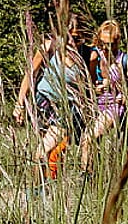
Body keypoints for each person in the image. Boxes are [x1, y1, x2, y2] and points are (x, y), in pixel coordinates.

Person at [13, 20, 89, 180]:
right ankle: (40, 188)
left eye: (76, 38)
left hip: (65, 109)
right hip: (43, 102)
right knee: (45, 152)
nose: (71, 42)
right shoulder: (49, 47)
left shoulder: (86, 54)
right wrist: (20, 104)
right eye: (67, 37)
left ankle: (44, 188)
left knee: (44, 151)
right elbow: (30, 74)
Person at [79, 19, 128, 173]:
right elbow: (90, 83)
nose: (105, 48)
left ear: (117, 42)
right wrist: (95, 89)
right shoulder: (95, 56)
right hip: (95, 104)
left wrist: (121, 92)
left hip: (114, 105)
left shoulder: (124, 59)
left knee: (89, 139)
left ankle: (86, 177)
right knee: (90, 142)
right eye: (102, 43)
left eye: (110, 44)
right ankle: (91, 176)